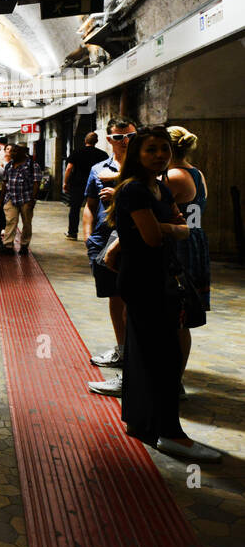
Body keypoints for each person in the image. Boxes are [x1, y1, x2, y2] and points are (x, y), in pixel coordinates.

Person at [103, 126, 219, 462]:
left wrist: (167, 227)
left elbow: (183, 227)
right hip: (145, 281)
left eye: (164, 150)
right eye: (151, 149)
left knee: (148, 356)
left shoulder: (157, 187)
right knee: (162, 359)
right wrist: (170, 227)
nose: (159, 156)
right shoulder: (137, 190)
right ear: (138, 153)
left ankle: (143, 423)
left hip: (155, 277)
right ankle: (169, 432)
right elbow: (158, 236)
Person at [84, 118, 137, 395]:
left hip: (130, 242)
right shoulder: (98, 169)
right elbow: (90, 205)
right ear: (109, 140)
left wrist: (120, 191)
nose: (125, 141)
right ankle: (122, 351)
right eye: (119, 137)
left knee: (133, 303)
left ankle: (133, 365)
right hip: (103, 240)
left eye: (130, 136)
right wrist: (87, 237)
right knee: (114, 298)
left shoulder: (143, 172)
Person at [163, 126, 210, 396]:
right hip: (193, 239)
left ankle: (173, 381)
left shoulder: (173, 176)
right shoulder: (196, 172)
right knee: (180, 317)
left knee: (177, 316)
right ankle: (173, 378)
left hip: (178, 243)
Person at [0, 144, 40, 255]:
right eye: (11, 152)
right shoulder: (9, 165)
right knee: (10, 221)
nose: (12, 153)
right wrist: (1, 199)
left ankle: (24, 245)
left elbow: (36, 183)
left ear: (22, 152)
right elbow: (5, 183)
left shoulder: (32, 165)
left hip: (26, 198)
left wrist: (32, 199)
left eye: (15, 151)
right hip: (11, 197)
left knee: (26, 223)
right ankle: (8, 245)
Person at [63, 132, 108, 240]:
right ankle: (94, 234)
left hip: (78, 184)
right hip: (95, 184)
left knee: (75, 208)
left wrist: (65, 182)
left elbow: (69, 168)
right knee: (95, 209)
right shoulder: (102, 154)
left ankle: (72, 233)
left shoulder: (77, 152)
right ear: (96, 141)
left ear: (85, 141)